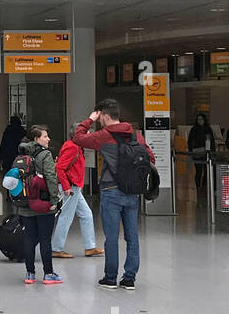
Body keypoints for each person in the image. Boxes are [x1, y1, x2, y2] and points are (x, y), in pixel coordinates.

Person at [72, 99, 157, 291]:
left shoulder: (103, 135)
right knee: (132, 236)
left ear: (105, 116)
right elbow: (150, 158)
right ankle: (129, 279)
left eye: (100, 117)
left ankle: (110, 278)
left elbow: (78, 137)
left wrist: (88, 120)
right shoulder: (136, 135)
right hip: (132, 192)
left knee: (111, 237)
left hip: (111, 190)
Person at [13, 125, 63, 285]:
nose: (48, 139)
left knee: (29, 238)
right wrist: (54, 200)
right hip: (43, 202)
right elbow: (50, 177)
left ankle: (30, 274)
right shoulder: (45, 154)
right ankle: (48, 274)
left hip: (26, 203)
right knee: (45, 239)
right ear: (36, 139)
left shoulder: (22, 154)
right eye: (45, 136)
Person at [51, 136, 102, 260]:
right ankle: (56, 249)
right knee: (66, 217)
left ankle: (90, 247)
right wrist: (66, 186)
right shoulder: (72, 147)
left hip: (74, 187)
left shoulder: (76, 146)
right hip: (70, 188)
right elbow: (60, 168)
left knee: (86, 214)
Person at [188, 113, 215, 194]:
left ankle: (204, 188)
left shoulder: (208, 129)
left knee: (207, 171)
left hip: (206, 152)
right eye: (198, 119)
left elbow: (212, 141)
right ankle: (197, 188)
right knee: (198, 171)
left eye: (201, 119)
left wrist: (212, 151)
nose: (200, 121)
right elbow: (190, 141)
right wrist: (191, 151)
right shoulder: (194, 129)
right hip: (197, 153)